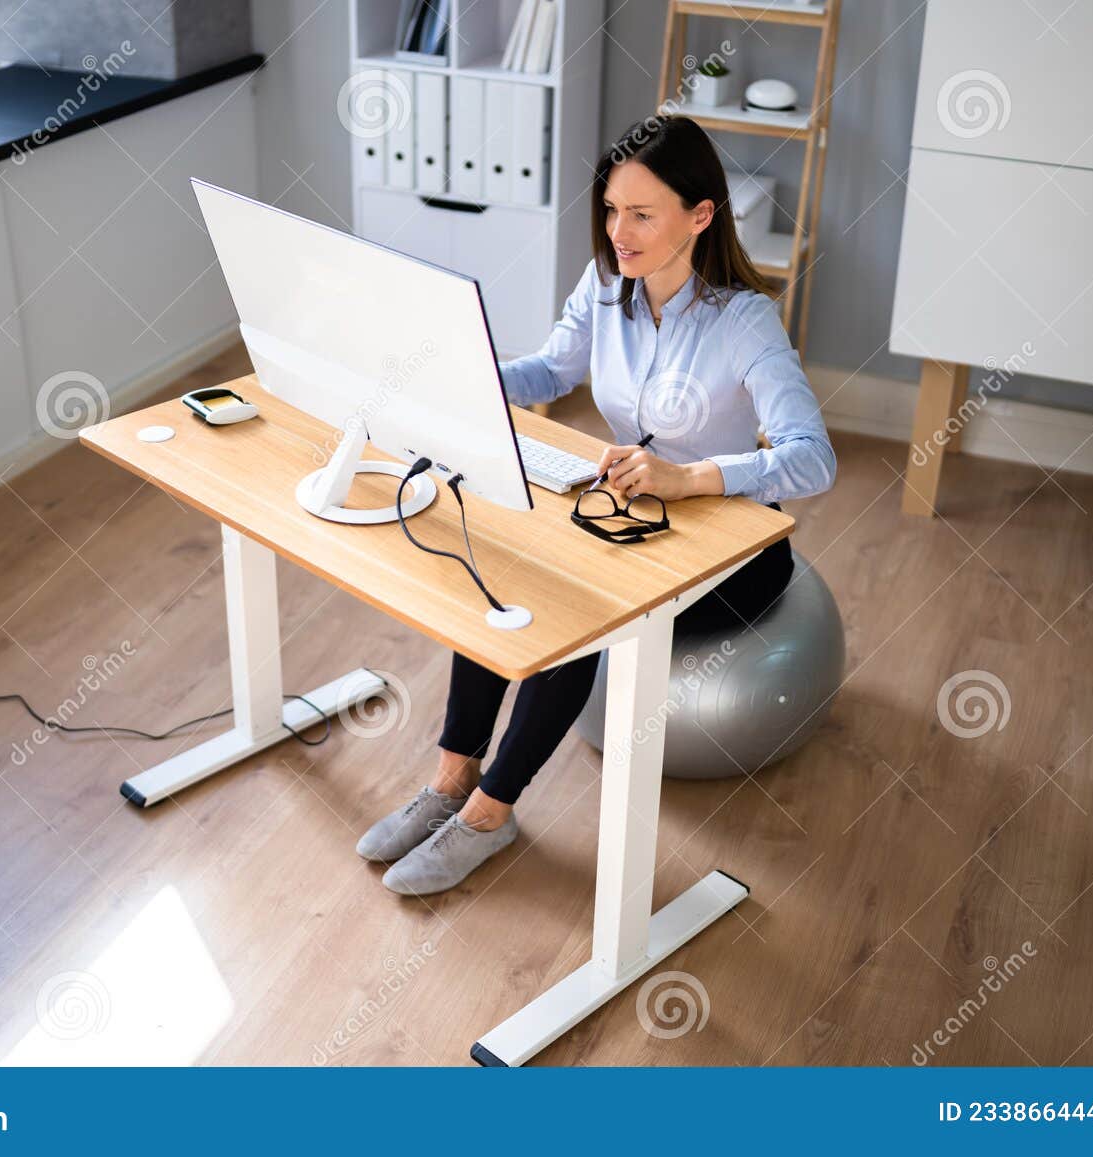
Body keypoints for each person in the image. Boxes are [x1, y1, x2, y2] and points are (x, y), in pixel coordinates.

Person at [358, 116, 837, 895]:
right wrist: (462, 379)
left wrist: (691, 477)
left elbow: (813, 458)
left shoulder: (744, 320)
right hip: (630, 520)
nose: (620, 231)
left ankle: (488, 812)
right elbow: (552, 369)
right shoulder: (608, 284)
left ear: (701, 215)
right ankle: (450, 780)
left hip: (732, 556)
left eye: (643, 213)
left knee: (575, 622)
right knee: (503, 576)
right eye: (612, 210)